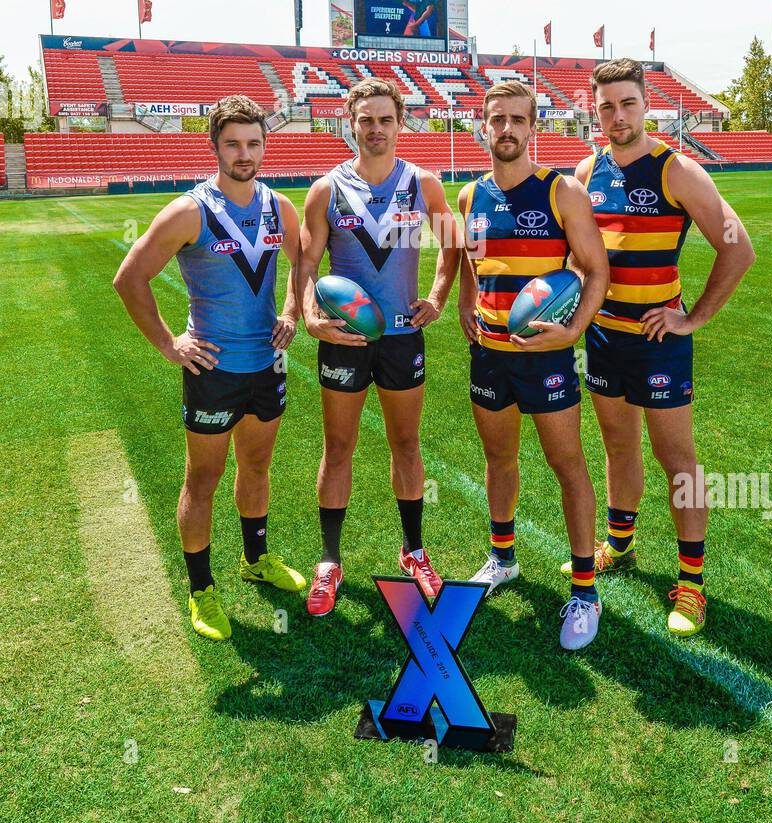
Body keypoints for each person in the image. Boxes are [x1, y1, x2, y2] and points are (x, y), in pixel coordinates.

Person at [559, 58, 756, 637]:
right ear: (594, 112)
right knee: (618, 447)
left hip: (657, 343)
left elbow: (737, 248)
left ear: (646, 104)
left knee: (678, 461)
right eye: (606, 107)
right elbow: (579, 252)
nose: (617, 116)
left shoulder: (677, 171)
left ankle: (691, 582)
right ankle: (620, 544)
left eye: (627, 104)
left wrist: (690, 318)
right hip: (602, 338)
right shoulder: (587, 167)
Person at [112, 94, 305, 642]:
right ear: (215, 146)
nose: (245, 154)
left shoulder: (279, 207)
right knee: (204, 478)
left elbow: (303, 263)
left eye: (253, 143)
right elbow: (130, 278)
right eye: (233, 144)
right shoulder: (189, 210)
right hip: (212, 370)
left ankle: (255, 558)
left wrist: (292, 310)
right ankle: (201, 589)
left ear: (265, 145)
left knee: (258, 467)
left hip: (267, 365)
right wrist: (171, 344)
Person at [297, 78, 461, 616]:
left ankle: (414, 550)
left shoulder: (424, 183)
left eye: (385, 119)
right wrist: (309, 314)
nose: (375, 129)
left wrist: (437, 297)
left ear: (400, 122)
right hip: (346, 340)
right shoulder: (326, 189)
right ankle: (329, 560)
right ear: (351, 123)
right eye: (365, 119)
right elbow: (305, 263)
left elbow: (453, 246)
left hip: (401, 337)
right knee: (338, 448)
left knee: (406, 445)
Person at [458, 81, 610, 651]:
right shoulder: (470, 195)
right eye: (497, 120)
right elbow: (469, 263)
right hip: (489, 356)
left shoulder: (562, 191)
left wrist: (572, 331)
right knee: (499, 459)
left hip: (545, 359)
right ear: (484, 125)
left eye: (517, 120)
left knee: (567, 465)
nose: (506, 130)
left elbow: (596, 271)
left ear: (533, 126)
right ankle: (503, 559)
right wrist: (462, 305)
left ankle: (585, 591)